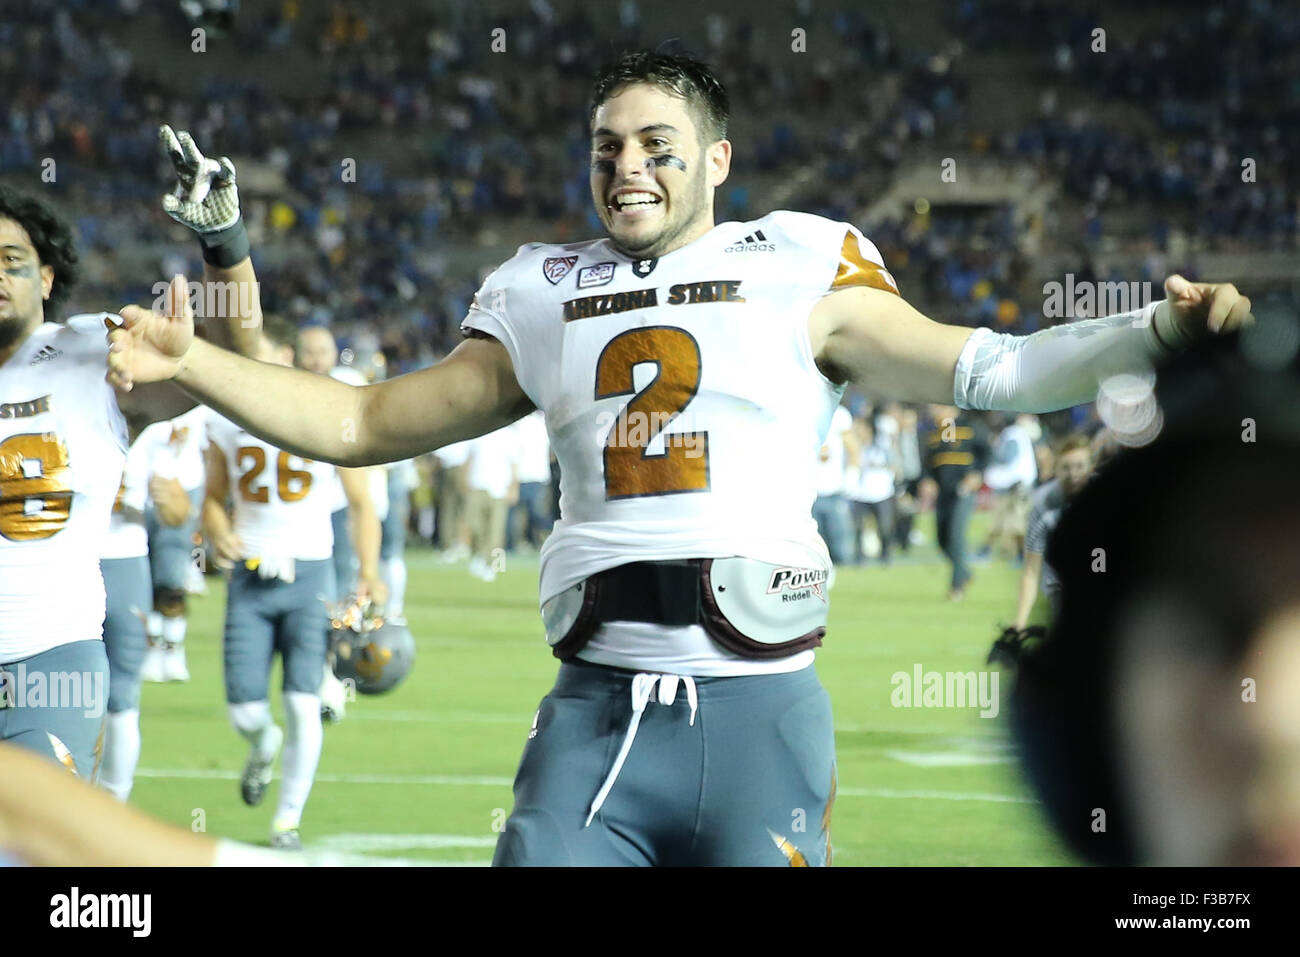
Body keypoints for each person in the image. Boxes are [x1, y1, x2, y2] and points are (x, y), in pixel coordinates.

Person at [107, 52, 1252, 866]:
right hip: (591, 720)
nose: (628, 167)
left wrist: (1152, 332)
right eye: (606, 147)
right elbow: (362, 423)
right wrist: (194, 364)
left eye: (658, 145)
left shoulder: (801, 262)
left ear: (717, 161)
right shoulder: (538, 288)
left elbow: (993, 371)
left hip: (761, 718)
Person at [0, 125, 260, 780]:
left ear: (49, 275)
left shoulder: (95, 352)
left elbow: (236, 362)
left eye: (12, 259)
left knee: (31, 845)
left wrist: (223, 244)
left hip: (45, 652)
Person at [202, 314, 384, 849]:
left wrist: (368, 570)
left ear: (284, 358)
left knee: (304, 701)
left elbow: (360, 503)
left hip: (310, 575)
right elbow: (212, 498)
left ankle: (287, 819)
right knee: (246, 711)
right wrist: (216, 531)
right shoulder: (224, 418)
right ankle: (262, 747)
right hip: (250, 579)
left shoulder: (322, 413)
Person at [139, 403, 209, 683]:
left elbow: (208, 449)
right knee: (145, 578)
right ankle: (152, 647)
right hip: (135, 495)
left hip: (184, 489)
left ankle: (173, 648)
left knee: (171, 577)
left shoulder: (196, 404)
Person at [1010, 433, 1093, 630]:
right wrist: (1020, 622)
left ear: (1092, 466)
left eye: (1080, 466)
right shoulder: (1042, 504)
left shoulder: (1109, 496)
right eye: (1066, 467)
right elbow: (1031, 568)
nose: (1073, 474)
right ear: (1055, 468)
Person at [919, 403, 991, 600]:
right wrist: (928, 480)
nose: (932, 411)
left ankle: (957, 587)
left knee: (956, 536)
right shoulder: (934, 433)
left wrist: (977, 475)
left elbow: (987, 453)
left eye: (936, 407)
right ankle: (965, 572)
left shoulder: (971, 426)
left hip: (964, 491)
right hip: (943, 493)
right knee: (942, 540)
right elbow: (927, 463)